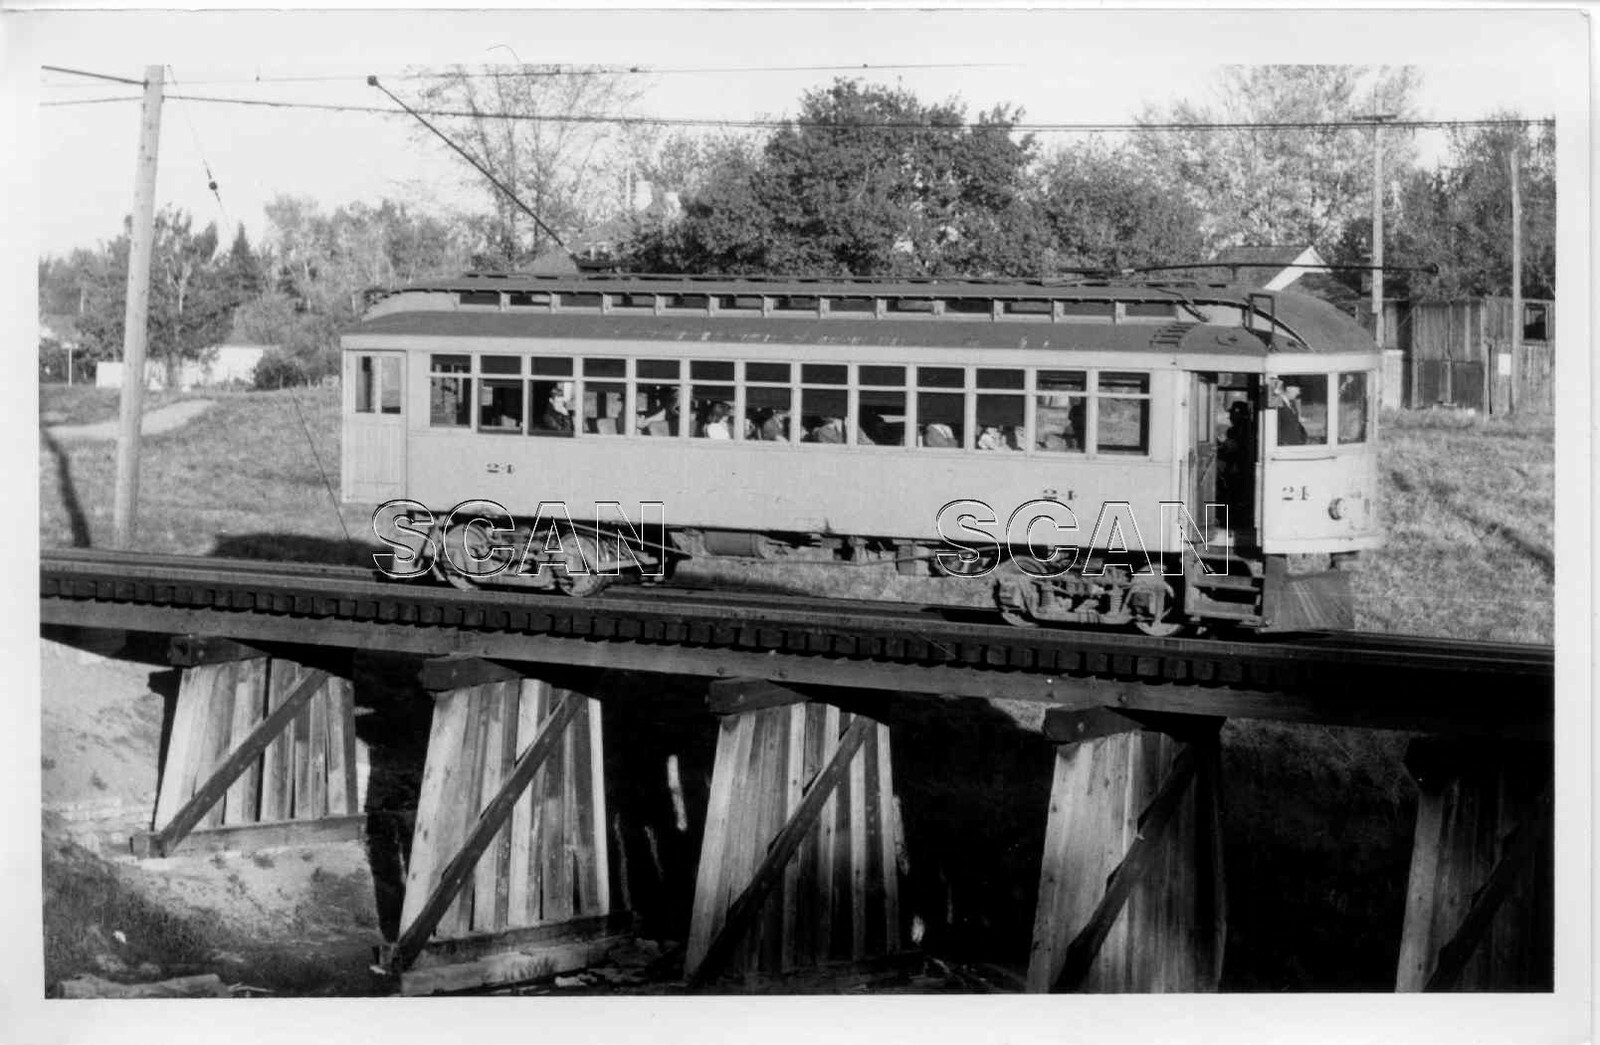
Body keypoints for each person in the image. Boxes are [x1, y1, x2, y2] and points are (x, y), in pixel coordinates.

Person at [1273, 381, 1307, 446]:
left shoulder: (1291, 403)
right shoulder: (1278, 403)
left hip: (1294, 443)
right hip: (1285, 444)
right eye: (1297, 389)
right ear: (1288, 388)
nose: (1298, 392)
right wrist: (1280, 443)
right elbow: (1277, 425)